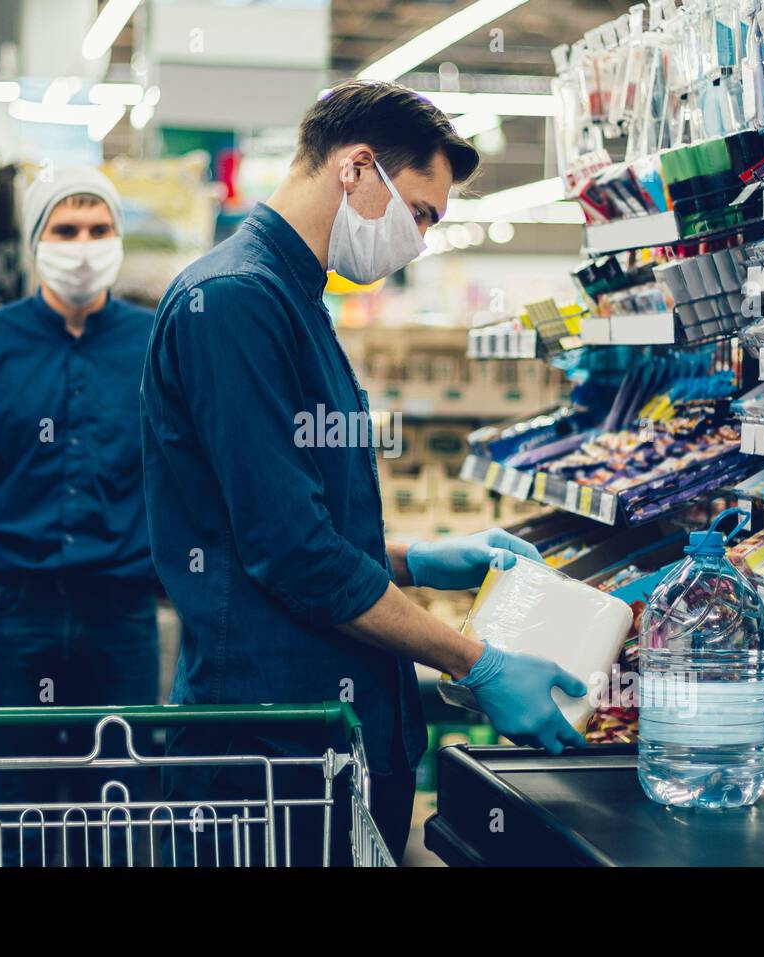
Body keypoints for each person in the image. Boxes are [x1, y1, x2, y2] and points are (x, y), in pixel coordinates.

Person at [140, 80, 587, 866]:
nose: (419, 240)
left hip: (325, 738)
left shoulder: (295, 299)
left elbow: (304, 522)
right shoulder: (238, 302)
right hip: (271, 752)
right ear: (356, 168)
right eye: (419, 213)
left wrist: (420, 559)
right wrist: (473, 660)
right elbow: (292, 552)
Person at [0, 167, 158, 866]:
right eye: (65, 229)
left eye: (98, 229)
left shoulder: (154, 342)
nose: (83, 246)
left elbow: (190, 487)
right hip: (11, 615)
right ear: (35, 241)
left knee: (120, 813)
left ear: (117, 237)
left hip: (123, 618)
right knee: (15, 818)